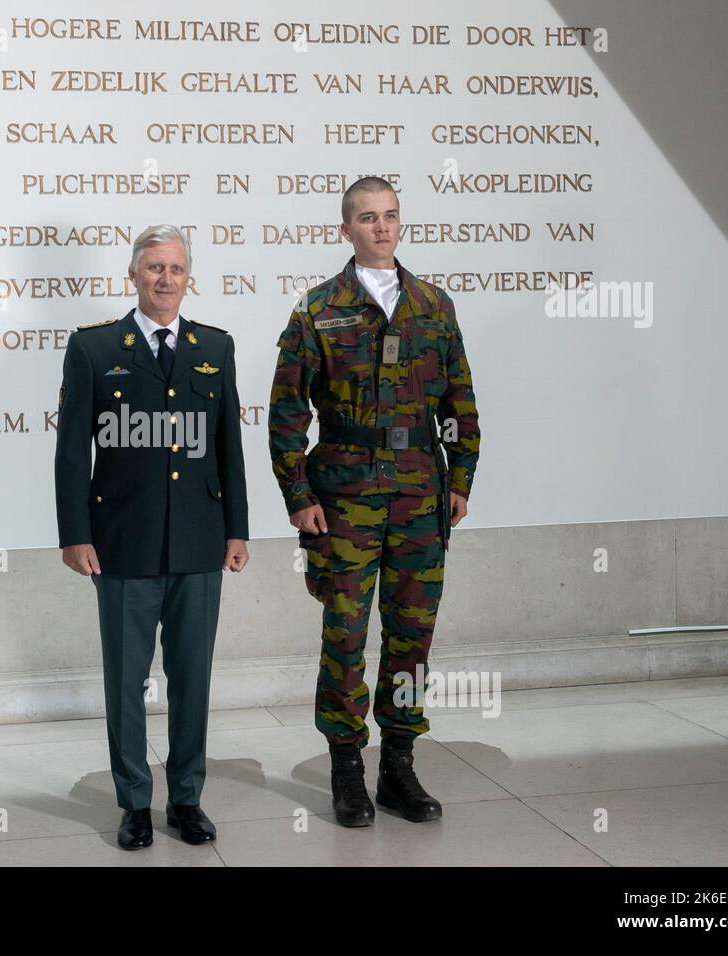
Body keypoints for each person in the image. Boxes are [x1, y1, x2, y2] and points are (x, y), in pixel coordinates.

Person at [268, 177, 480, 826]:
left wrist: (461, 480)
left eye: (390, 216)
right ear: (346, 229)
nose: (381, 228)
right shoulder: (318, 310)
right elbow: (284, 415)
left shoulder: (434, 306)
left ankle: (399, 767)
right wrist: (298, 497)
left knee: (412, 639)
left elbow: (460, 406)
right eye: (367, 218)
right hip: (343, 503)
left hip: (420, 498)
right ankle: (346, 771)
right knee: (345, 637)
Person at [54, 224, 250, 850]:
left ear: (188, 277)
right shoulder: (93, 348)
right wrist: (75, 533)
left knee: (193, 676)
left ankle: (186, 798)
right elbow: (70, 453)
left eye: (176, 269)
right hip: (122, 542)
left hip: (198, 541)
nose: (165, 279)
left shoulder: (214, 347)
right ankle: (135, 802)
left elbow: (228, 449)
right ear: (133, 275)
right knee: (126, 680)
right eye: (154, 268)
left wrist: (237, 530)